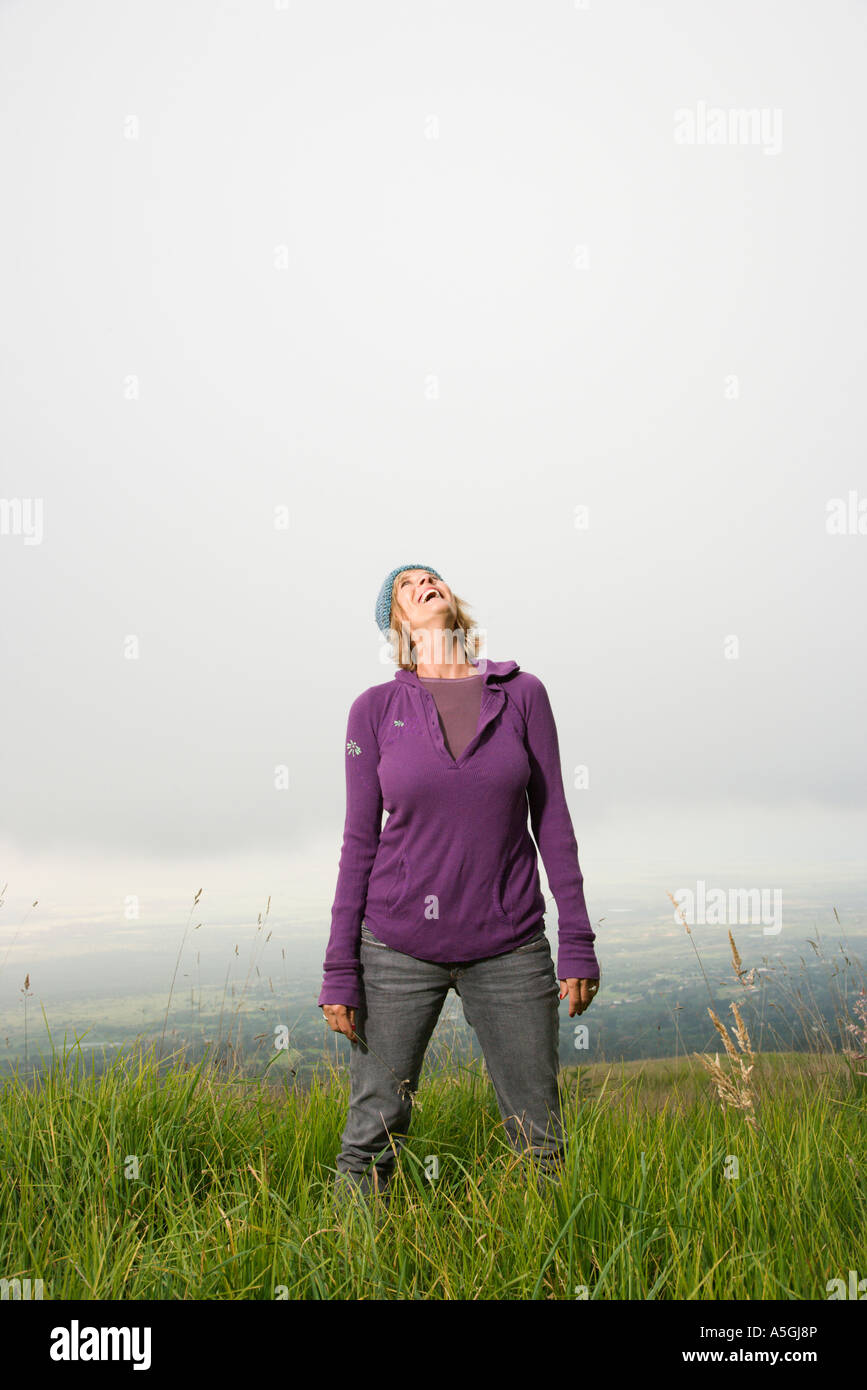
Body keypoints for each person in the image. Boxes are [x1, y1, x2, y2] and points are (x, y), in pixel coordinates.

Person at [318, 564, 600, 1205]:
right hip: (394, 948)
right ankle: (354, 1272)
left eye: (432, 576)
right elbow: (358, 843)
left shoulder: (522, 692)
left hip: (510, 947)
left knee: (541, 1141)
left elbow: (553, 819)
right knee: (371, 1137)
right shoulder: (374, 711)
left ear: (453, 601)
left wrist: (577, 940)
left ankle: (545, 1270)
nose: (423, 583)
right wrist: (341, 968)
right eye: (405, 585)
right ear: (397, 625)